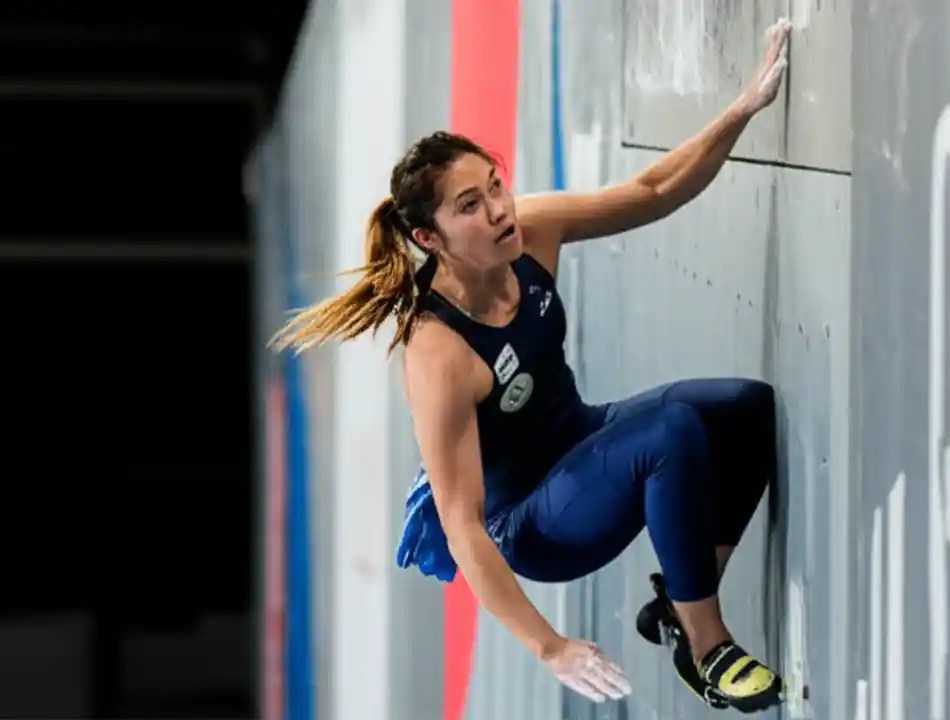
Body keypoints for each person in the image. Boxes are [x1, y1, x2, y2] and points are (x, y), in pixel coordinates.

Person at [270, 16, 793, 713]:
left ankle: (680, 604)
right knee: (671, 432)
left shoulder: (532, 229)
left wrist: (742, 108)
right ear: (430, 237)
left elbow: (654, 189)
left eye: (495, 184)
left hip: (582, 440)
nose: (497, 209)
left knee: (744, 408)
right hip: (537, 525)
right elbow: (463, 526)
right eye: (470, 205)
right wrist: (549, 646)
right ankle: (709, 649)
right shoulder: (437, 351)